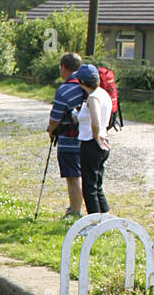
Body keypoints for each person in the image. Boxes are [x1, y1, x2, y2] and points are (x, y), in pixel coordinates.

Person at [47, 52, 85, 221]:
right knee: (86, 176)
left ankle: (75, 212)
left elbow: (55, 119)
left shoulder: (65, 90)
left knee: (72, 176)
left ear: (64, 68)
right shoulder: (89, 85)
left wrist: (50, 130)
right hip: (89, 138)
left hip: (70, 140)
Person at [74, 63, 111, 214]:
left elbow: (95, 121)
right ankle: (105, 216)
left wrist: (96, 136)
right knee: (97, 183)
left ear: (81, 82)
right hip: (102, 144)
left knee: (89, 186)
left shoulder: (93, 98)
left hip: (91, 143)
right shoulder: (103, 93)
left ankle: (94, 222)